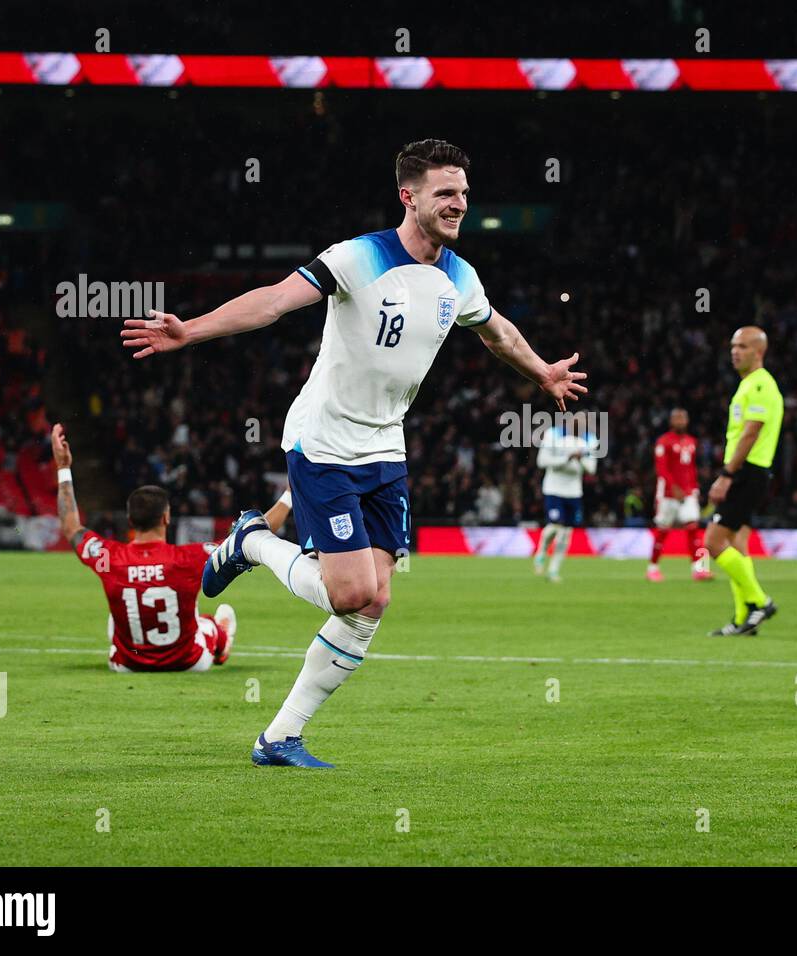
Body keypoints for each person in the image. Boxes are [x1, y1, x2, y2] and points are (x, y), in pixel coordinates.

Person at [122, 139, 587, 766]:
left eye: (464, 194)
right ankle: (250, 543)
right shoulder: (358, 256)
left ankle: (279, 737)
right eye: (445, 193)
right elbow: (275, 300)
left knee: (375, 602)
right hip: (325, 441)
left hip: (384, 446)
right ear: (409, 196)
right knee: (349, 593)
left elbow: (495, 329)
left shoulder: (460, 276)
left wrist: (541, 374)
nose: (458, 205)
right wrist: (194, 329)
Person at [52, 422, 291, 673]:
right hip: (189, 662)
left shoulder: (109, 558)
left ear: (131, 520)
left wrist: (63, 467)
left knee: (116, 619)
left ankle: (200, 633)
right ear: (166, 518)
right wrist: (289, 495)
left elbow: (71, 528)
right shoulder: (191, 557)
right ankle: (219, 638)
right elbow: (251, 537)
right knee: (207, 623)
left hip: (127, 664)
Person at [705, 327, 783, 636]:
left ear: (759, 352)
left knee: (712, 543)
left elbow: (751, 432)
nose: (735, 351)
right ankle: (743, 620)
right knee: (737, 544)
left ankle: (761, 602)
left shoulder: (761, 385)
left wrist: (726, 475)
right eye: (733, 345)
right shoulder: (749, 384)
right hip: (750, 472)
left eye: (743, 346)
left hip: (748, 471)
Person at [533, 411, 598, 583]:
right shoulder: (552, 434)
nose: (579, 425)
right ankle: (542, 550)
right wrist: (566, 458)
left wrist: (580, 458)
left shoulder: (590, 440)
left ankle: (553, 570)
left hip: (574, 492)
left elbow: (591, 469)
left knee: (566, 532)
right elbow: (542, 461)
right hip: (554, 488)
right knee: (555, 526)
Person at [647, 408, 710, 582]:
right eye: (677, 418)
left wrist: (694, 488)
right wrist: (673, 487)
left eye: (683, 418)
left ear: (687, 421)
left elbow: (691, 469)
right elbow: (661, 469)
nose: (680, 421)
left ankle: (700, 569)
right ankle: (652, 568)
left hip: (688, 493)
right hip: (667, 494)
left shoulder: (691, 442)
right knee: (662, 530)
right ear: (671, 421)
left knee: (693, 528)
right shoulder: (663, 441)